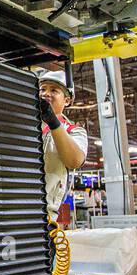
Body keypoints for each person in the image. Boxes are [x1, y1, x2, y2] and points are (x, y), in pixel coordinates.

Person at [37, 70, 89, 223]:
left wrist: (52, 121)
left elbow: (74, 160)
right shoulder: (24, 124)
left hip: (44, 215)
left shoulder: (73, 131)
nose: (46, 93)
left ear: (66, 100)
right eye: (43, 89)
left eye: (54, 90)